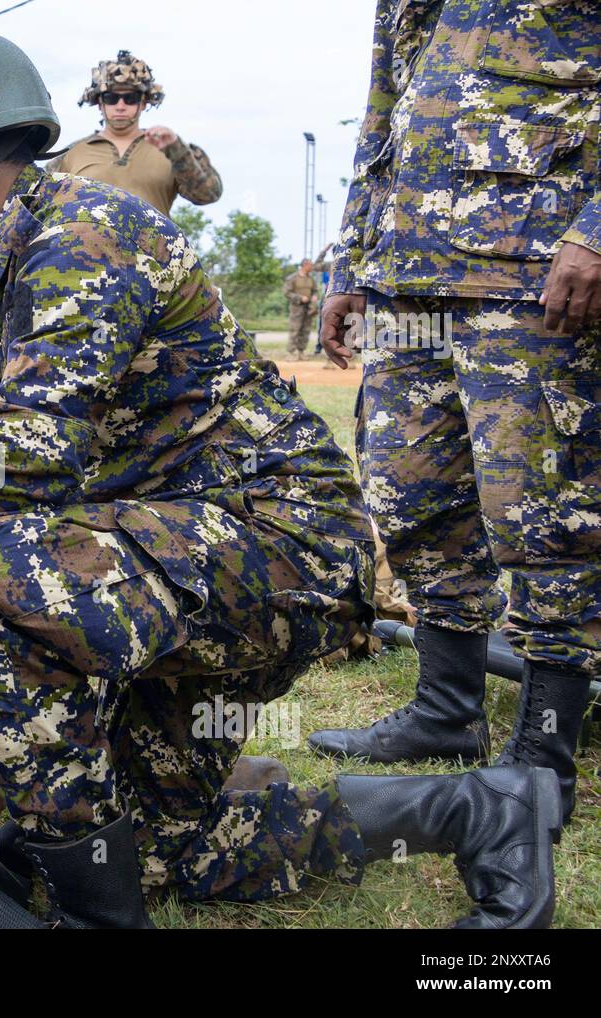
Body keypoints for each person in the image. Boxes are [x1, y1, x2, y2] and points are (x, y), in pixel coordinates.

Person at [0, 28, 561, 930]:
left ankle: (95, 917)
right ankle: (484, 811)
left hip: (279, 547)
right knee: (187, 855)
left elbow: (24, 460)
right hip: (173, 555)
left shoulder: (84, 236)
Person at [310, 0, 600, 829]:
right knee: (412, 500)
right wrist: (350, 264)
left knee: (544, 516)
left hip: (533, 271)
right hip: (407, 273)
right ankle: (447, 714)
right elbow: (382, 113)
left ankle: (543, 761)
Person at [47, 49, 221, 219]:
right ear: (100, 104)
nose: (121, 106)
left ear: (143, 103)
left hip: (152, 248)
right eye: (111, 98)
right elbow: (37, 205)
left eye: (130, 98)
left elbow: (208, 195)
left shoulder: (171, 150)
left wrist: (178, 151)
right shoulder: (71, 155)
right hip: (83, 248)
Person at [283, 259, 320, 360]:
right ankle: (290, 353)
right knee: (295, 329)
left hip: (308, 307)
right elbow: (287, 292)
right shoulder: (292, 278)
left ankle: (301, 352)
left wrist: (314, 296)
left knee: (306, 330)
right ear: (305, 265)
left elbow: (315, 290)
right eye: (310, 265)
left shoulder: (311, 279)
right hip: (296, 307)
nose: (312, 267)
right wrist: (300, 298)